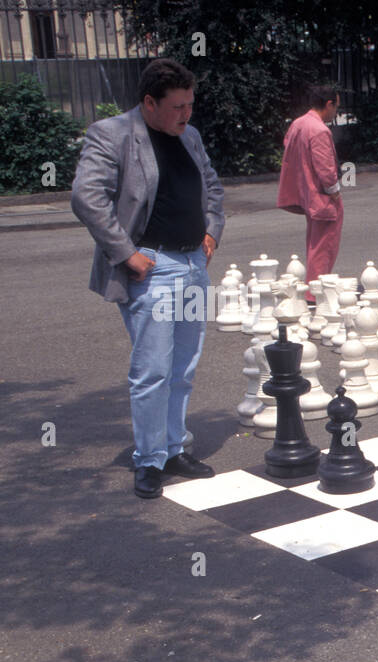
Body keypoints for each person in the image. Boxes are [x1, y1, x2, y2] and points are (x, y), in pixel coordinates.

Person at [71, 58, 225, 499]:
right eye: (177, 106)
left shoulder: (189, 137)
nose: (186, 114)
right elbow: (86, 197)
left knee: (183, 366)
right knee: (153, 370)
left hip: (194, 264)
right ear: (149, 103)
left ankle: (174, 447)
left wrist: (212, 232)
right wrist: (127, 254)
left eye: (190, 105)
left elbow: (212, 188)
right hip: (154, 268)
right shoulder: (113, 133)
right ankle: (149, 459)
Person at [278, 84, 343, 286]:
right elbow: (326, 168)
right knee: (324, 246)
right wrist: (335, 192)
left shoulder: (298, 123)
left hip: (305, 192)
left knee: (315, 243)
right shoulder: (320, 130)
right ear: (328, 104)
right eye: (336, 107)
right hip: (320, 195)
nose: (336, 112)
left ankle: (312, 289)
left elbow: (288, 145)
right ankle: (315, 293)